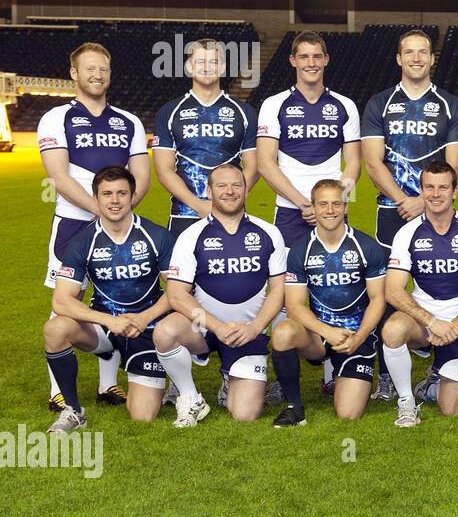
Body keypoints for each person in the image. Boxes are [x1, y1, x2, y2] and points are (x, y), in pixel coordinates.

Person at [39, 42, 150, 409]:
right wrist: (103, 211)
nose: (97, 75)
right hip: (73, 224)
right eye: (89, 68)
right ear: (74, 73)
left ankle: (108, 385)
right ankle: (57, 389)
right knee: (64, 304)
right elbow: (58, 176)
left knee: (116, 295)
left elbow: (142, 177)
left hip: (117, 224)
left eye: (103, 69)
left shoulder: (128, 121)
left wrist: (118, 212)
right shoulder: (57, 118)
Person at [360, 28, 458, 401]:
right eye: (409, 52)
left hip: (434, 206)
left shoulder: (450, 104)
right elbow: (373, 162)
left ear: (432, 59)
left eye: (423, 52)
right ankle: (388, 374)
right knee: (389, 293)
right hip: (392, 211)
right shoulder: (379, 103)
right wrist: (402, 199)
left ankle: (441, 363)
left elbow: (457, 162)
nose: (417, 58)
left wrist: (422, 200)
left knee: (444, 282)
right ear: (399, 58)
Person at [153, 163, 286, 426]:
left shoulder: (269, 232)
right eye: (221, 186)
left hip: (248, 331)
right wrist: (218, 327)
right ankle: (190, 397)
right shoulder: (191, 235)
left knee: (245, 415)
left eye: (237, 185)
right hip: (203, 328)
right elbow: (178, 294)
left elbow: (279, 290)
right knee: (165, 332)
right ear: (209, 191)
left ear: (246, 190)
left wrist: (255, 328)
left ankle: (230, 380)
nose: (230, 191)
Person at [46, 166, 173, 431]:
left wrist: (145, 317)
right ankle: (73, 410)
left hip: (146, 328)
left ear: (132, 195)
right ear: (96, 199)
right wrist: (108, 320)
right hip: (104, 328)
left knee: (143, 416)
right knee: (55, 328)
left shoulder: (157, 235)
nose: (114, 201)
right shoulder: (82, 242)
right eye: (107, 194)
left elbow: (178, 291)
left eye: (121, 193)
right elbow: (61, 301)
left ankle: (168, 373)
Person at [381, 163, 458, 426]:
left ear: (455, 191)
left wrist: (454, 326)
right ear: (421, 191)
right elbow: (393, 290)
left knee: (451, 410)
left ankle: (434, 379)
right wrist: (433, 322)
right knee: (393, 330)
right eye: (429, 187)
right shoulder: (407, 233)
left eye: (443, 187)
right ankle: (407, 403)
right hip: (424, 324)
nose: (435, 194)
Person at [270, 180, 387, 426]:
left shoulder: (367, 246)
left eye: (336, 203)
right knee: (282, 332)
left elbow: (378, 299)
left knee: (348, 413)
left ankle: (342, 372)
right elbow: (294, 305)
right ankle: (294, 407)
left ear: (345, 207)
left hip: (357, 337)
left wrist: (359, 337)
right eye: (323, 204)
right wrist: (327, 332)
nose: (330, 210)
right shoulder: (301, 250)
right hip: (318, 336)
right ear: (312, 207)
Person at [256, 31, 361, 250]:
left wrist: (338, 199)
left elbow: (354, 163)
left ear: (326, 59)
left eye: (316, 56)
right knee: (286, 282)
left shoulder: (346, 105)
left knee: (332, 280)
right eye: (304, 57)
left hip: (332, 211)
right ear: (293, 61)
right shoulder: (273, 105)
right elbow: (265, 163)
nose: (311, 63)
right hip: (289, 211)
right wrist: (303, 204)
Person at [152, 38, 260, 236]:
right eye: (200, 62)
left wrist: (228, 202)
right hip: (184, 215)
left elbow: (254, 167)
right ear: (189, 66)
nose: (207, 67)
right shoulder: (169, 112)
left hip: (231, 215)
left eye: (214, 62)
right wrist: (199, 206)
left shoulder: (244, 112)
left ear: (223, 67)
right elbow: (163, 170)